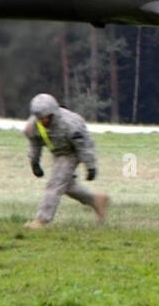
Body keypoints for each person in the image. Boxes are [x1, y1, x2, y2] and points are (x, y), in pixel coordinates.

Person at [22, 92, 108, 228]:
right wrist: (34, 162)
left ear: (53, 114)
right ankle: (96, 200)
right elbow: (35, 144)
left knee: (55, 184)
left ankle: (41, 220)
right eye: (39, 118)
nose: (42, 121)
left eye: (45, 118)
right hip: (57, 152)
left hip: (72, 152)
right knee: (67, 186)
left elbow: (84, 146)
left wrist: (90, 166)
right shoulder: (33, 125)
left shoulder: (71, 126)